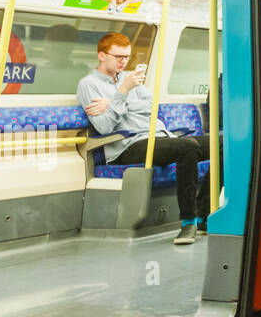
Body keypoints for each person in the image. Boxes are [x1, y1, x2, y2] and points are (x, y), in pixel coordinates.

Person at [77, 32, 214, 245]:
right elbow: (104, 126)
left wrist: (114, 102)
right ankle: (188, 221)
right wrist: (122, 93)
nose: (123, 62)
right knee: (187, 146)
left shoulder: (130, 79)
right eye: (118, 57)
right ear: (102, 56)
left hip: (158, 137)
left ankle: (204, 214)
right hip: (127, 145)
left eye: (126, 57)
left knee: (223, 144)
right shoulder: (89, 84)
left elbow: (152, 107)